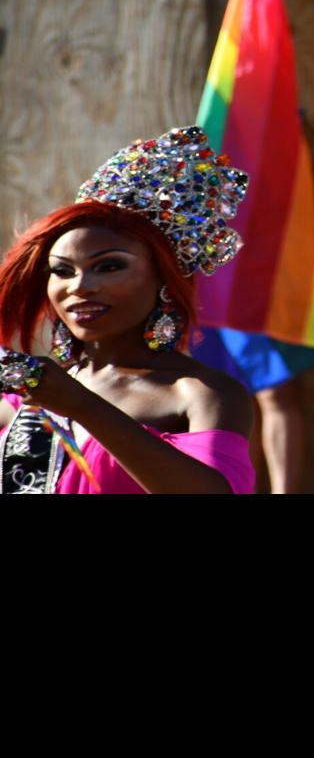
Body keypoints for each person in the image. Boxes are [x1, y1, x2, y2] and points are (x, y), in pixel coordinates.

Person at [0, 126, 257, 494]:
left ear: (162, 279)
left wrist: (83, 407)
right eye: (62, 271)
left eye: (109, 266)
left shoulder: (199, 394)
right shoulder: (22, 400)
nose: (79, 286)